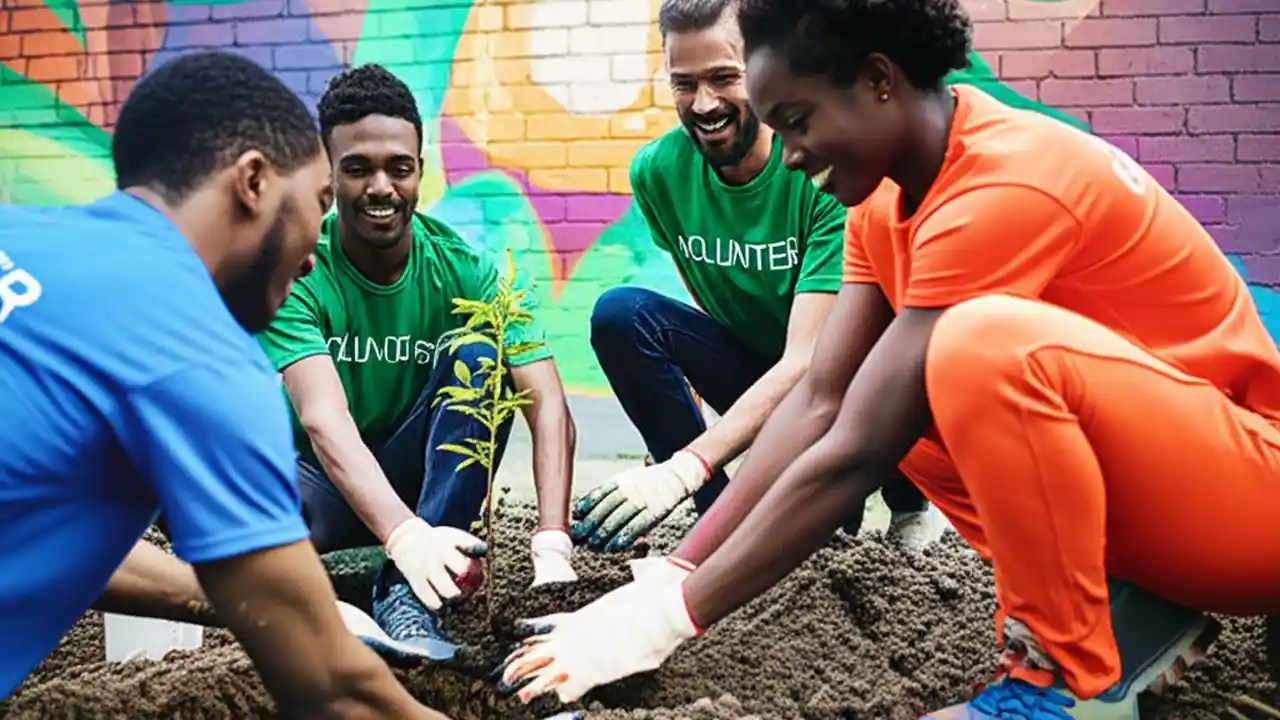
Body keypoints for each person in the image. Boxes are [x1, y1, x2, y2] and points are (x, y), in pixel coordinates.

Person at [499, 0, 1280, 716]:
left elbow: (855, 449)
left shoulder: (1007, 182)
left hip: (1250, 505)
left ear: (879, 80)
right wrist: (670, 573)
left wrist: (673, 619)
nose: (792, 156)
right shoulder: (882, 199)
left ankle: (1063, 685)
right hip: (1171, 508)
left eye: (798, 121)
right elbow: (822, 404)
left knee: (971, 352)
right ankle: (1125, 610)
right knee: (922, 403)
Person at [0, 50, 448, 719]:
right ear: (254, 182)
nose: (311, 255)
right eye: (320, 201)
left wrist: (280, 604)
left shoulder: (19, 234)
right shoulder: (198, 355)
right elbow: (337, 691)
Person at [573, 0, 943, 554]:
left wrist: (684, 466)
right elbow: (711, 309)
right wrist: (688, 440)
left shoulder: (818, 172)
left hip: (850, 386)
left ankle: (906, 504)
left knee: (885, 367)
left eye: (724, 78)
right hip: (768, 381)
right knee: (622, 316)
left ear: (764, 69)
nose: (704, 104)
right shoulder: (658, 174)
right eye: (684, 83)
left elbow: (810, 363)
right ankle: (717, 524)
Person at [254, 63, 580, 657]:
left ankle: (406, 594)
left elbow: (548, 403)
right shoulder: (301, 269)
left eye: (398, 168)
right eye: (357, 169)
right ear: (329, 178)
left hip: (423, 488)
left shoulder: (470, 270)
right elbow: (323, 421)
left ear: (420, 172)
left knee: (479, 352)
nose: (381, 187)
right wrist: (402, 535)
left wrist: (552, 545)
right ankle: (368, 573)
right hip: (321, 489)